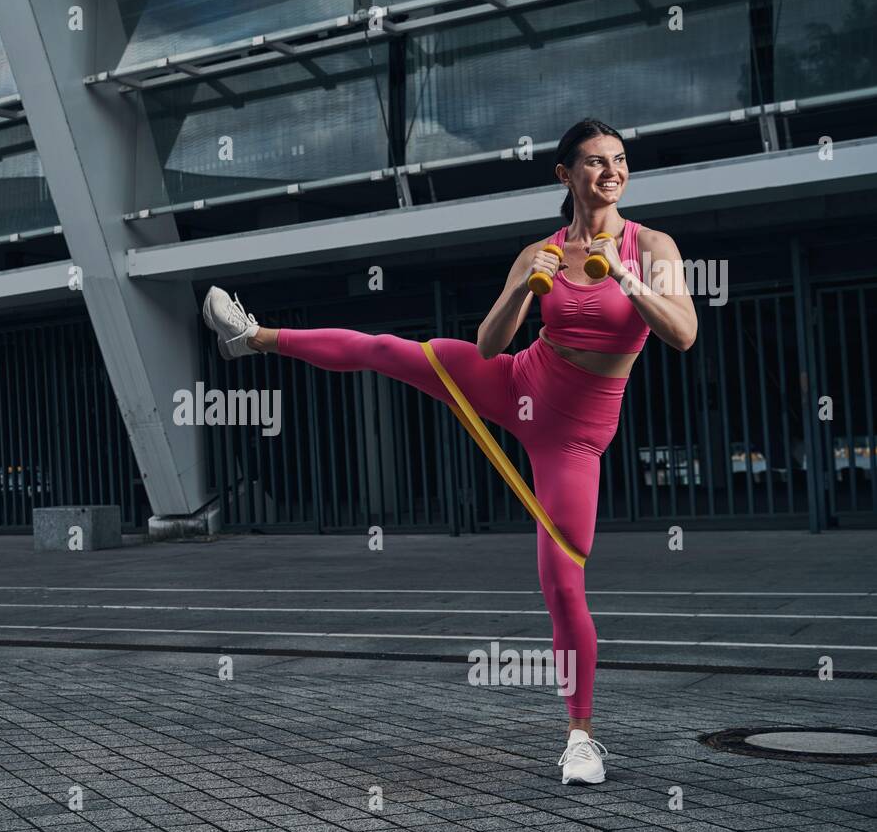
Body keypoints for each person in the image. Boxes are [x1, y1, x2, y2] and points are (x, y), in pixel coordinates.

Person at [200, 119, 697, 785]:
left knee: (561, 581)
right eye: (595, 162)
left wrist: (633, 283)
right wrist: (524, 286)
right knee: (387, 350)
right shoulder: (541, 251)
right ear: (565, 174)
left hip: (575, 436)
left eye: (620, 160)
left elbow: (684, 333)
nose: (612, 172)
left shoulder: (653, 246)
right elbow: (490, 345)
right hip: (518, 381)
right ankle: (253, 336)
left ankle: (580, 737)